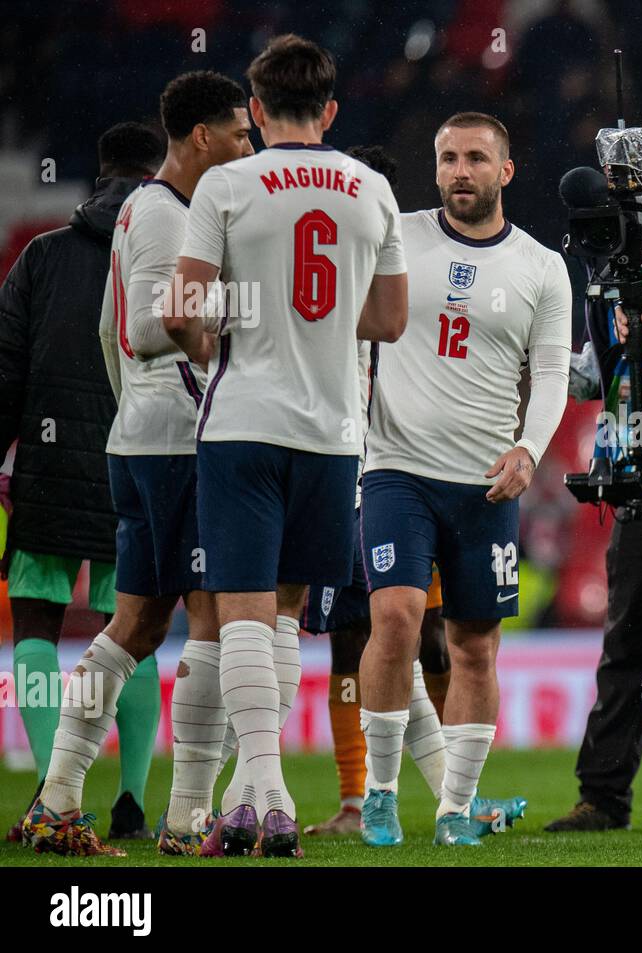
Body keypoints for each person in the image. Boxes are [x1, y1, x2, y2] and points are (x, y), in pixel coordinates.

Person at [164, 34, 408, 859]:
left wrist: (232, 320)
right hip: (334, 433)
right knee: (289, 614)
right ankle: (255, 796)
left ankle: (260, 793)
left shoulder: (229, 181)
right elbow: (390, 321)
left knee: (237, 606)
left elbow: (181, 309)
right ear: (331, 110)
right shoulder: (370, 188)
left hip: (242, 425)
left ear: (258, 112)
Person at [19, 73, 254, 858]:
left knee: (140, 623)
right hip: (176, 441)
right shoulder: (161, 214)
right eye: (237, 133)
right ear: (199, 139)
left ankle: (57, 797)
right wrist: (234, 319)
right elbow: (152, 329)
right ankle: (189, 816)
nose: (246, 145)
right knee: (216, 617)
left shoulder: (159, 211)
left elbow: (109, 332)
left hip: (148, 436)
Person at [357, 111, 569, 847]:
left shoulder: (543, 266)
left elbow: (549, 376)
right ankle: (379, 795)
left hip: (485, 482)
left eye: (476, 158)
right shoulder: (397, 235)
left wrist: (530, 450)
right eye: (448, 158)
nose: (459, 171)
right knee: (395, 618)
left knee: (474, 646)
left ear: (504, 171)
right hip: (394, 470)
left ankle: (455, 809)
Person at [298, 145, 508, 840]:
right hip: (344, 475)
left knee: (427, 642)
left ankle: (453, 798)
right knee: (359, 639)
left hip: (407, 477)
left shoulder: (416, 273)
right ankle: (360, 800)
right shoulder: (329, 272)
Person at [0, 121, 166, 849]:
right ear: (156, 172)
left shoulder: (40, 256)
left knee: (34, 621)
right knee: (131, 629)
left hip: (49, 462)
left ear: (97, 175)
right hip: (142, 459)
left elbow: (6, 371)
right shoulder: (175, 252)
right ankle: (132, 795)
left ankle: (50, 783)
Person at [546, 131, 642, 832]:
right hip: (641, 473)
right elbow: (603, 368)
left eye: (637, 194)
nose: (627, 213)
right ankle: (601, 797)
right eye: (618, 196)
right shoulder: (603, 271)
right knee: (627, 648)